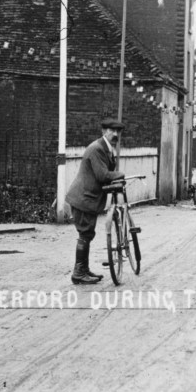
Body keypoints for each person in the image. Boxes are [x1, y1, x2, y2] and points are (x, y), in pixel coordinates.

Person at [64, 117, 126, 284]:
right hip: (83, 198)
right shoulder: (97, 149)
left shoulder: (107, 148)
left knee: (88, 234)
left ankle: (83, 269)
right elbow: (102, 175)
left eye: (118, 131)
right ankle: (78, 272)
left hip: (87, 199)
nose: (115, 134)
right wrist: (120, 174)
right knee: (85, 234)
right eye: (111, 131)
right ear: (103, 131)